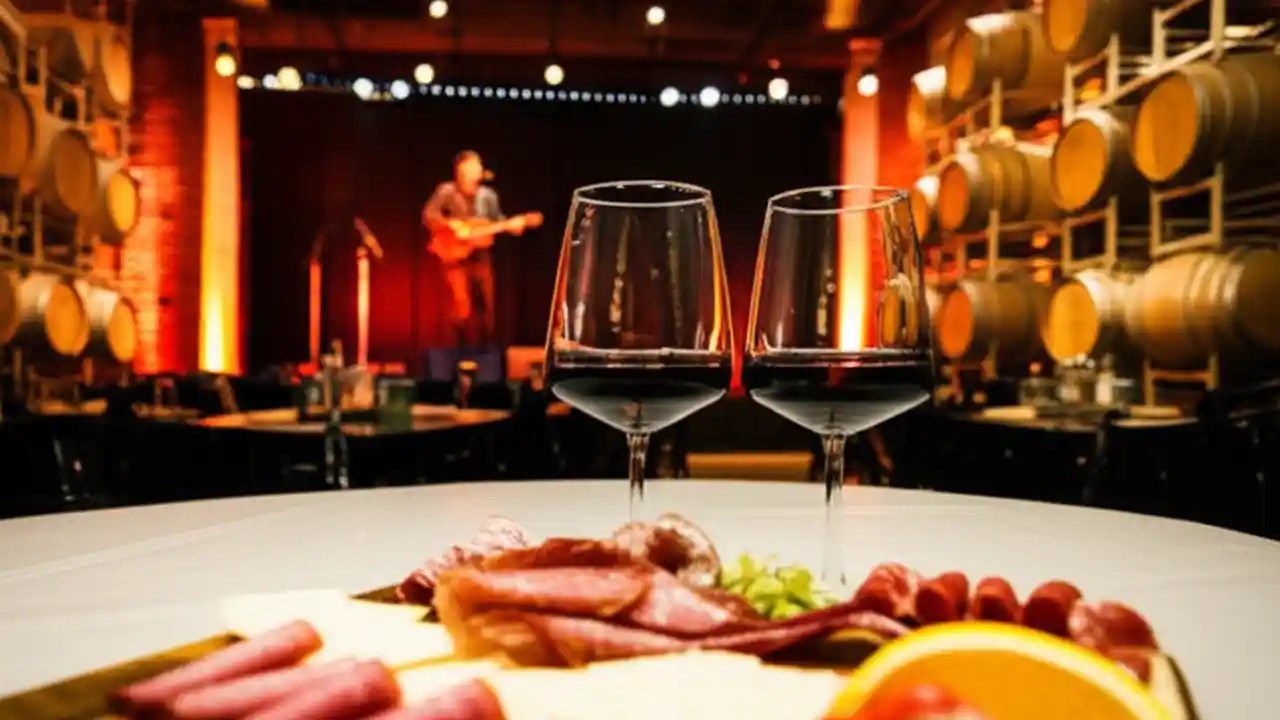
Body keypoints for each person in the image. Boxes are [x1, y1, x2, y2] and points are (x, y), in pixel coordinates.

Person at [422, 150, 527, 347]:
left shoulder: (488, 196)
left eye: (471, 173)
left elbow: (496, 221)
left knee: (486, 306)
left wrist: (511, 226)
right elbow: (429, 215)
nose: (466, 178)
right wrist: (451, 224)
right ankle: (456, 354)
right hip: (454, 258)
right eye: (463, 174)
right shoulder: (446, 191)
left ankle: (485, 354)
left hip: (480, 256)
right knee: (460, 308)